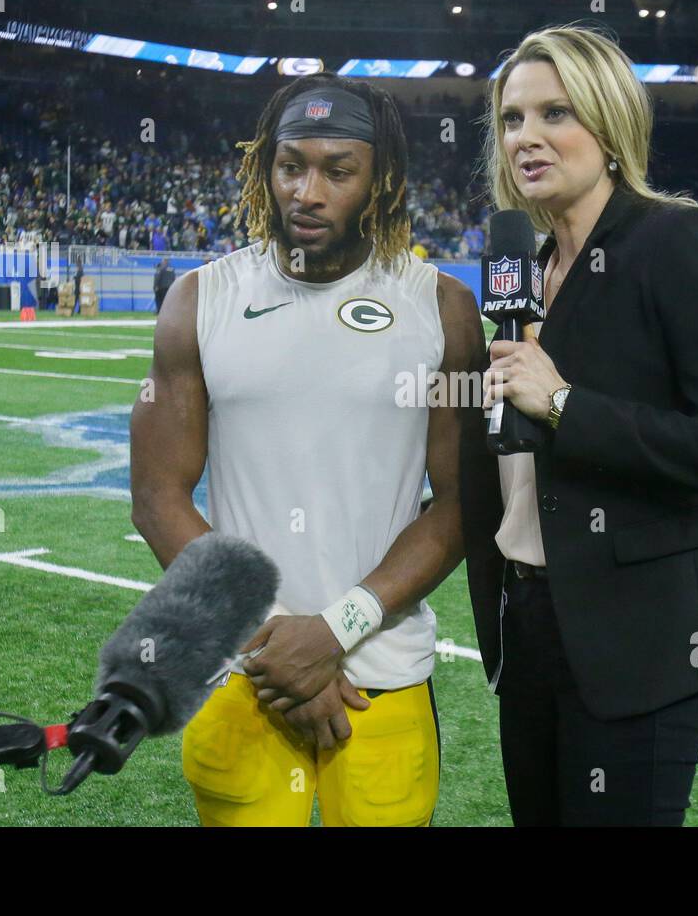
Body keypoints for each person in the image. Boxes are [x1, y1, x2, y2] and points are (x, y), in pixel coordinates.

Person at [130, 73, 481, 826]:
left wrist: (334, 631)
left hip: (380, 673)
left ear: (380, 180)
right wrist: (275, 650)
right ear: (267, 170)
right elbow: (157, 497)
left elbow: (460, 503)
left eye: (337, 170)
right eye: (291, 166)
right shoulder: (200, 299)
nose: (308, 192)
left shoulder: (442, 310)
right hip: (240, 678)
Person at [460, 24, 698, 826]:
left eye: (555, 113)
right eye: (511, 118)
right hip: (528, 624)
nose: (527, 136)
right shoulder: (522, 272)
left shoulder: (676, 240)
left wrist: (564, 405)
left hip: (642, 637)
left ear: (609, 126)